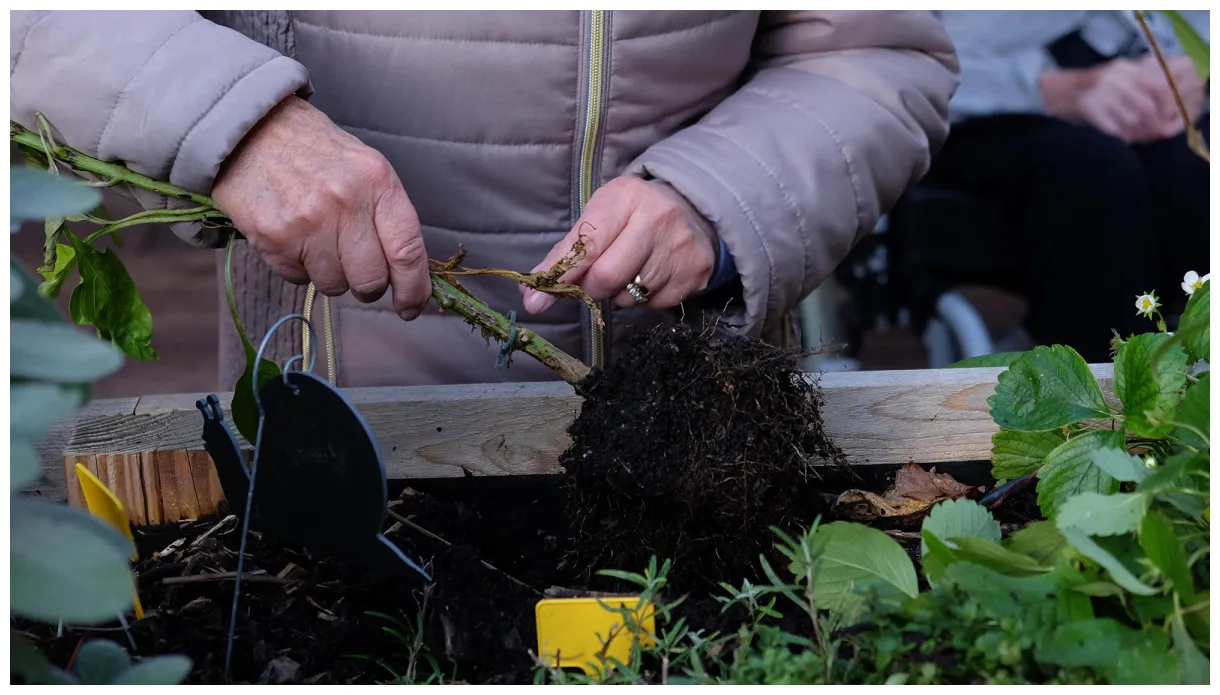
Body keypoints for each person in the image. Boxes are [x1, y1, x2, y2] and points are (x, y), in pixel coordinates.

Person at [11, 10, 958, 387]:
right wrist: (234, 121)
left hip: (692, 412)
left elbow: (875, 52)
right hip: (343, 409)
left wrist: (719, 193)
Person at [929, 11, 1209, 362]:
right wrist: (1049, 87)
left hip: (1170, 93)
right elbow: (910, 67)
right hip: (992, 106)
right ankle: (1109, 394)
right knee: (1094, 172)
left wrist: (1202, 66)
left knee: (1192, 166)